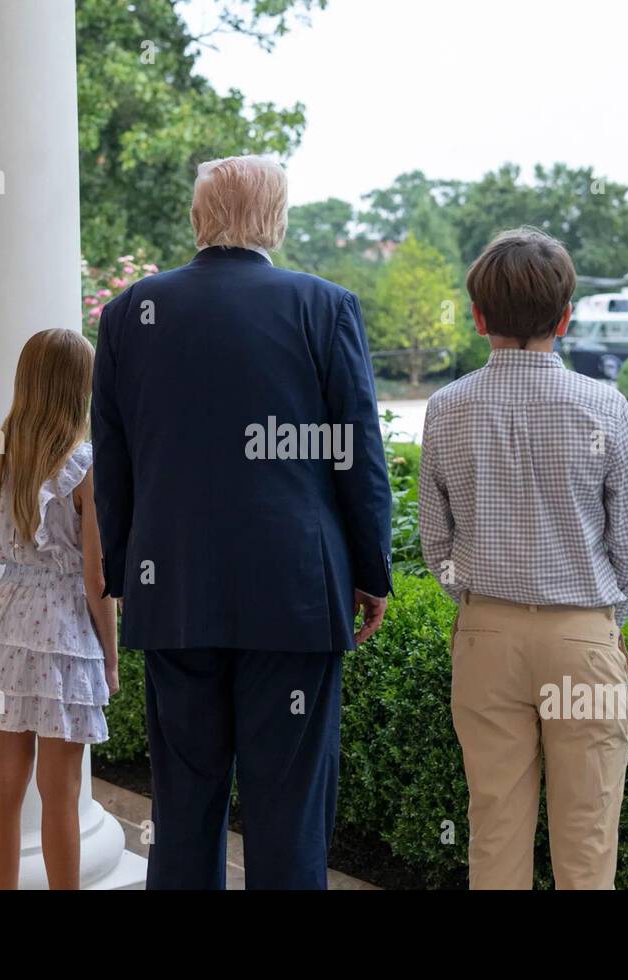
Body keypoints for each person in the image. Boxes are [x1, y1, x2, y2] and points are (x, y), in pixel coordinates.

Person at [91, 155, 393, 889]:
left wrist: (128, 572)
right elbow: (356, 452)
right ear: (276, 219)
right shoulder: (323, 306)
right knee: (290, 807)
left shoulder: (132, 312)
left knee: (184, 803)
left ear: (200, 219)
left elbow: (114, 455)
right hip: (293, 594)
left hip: (175, 589)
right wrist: (370, 570)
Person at [418, 227, 628, 890]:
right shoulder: (604, 404)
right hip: (583, 632)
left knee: (494, 833)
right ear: (566, 315)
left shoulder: (446, 407)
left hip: (487, 636)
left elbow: (436, 542)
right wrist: (602, 620)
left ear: (478, 315)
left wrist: (477, 607)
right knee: (588, 834)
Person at [0, 328, 120, 890]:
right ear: (80, 389)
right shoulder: (84, 466)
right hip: (67, 633)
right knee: (61, 791)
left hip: (6, 622)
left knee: (6, 782)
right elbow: (97, 578)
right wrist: (113, 660)